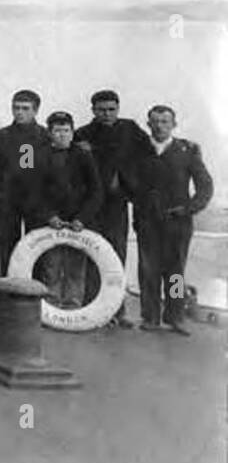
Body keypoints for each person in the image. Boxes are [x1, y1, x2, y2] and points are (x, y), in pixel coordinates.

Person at [124, 106, 214, 335]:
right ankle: (150, 317)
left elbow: (205, 186)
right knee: (148, 270)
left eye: (165, 121)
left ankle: (175, 317)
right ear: (148, 124)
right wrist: (140, 201)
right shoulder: (138, 152)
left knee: (175, 272)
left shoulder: (187, 151)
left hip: (178, 224)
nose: (160, 126)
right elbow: (127, 181)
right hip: (147, 222)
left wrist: (188, 209)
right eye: (155, 122)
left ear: (174, 124)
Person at [74, 89, 145, 328]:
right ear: (93, 110)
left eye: (111, 109)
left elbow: (148, 156)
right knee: (93, 254)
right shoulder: (82, 134)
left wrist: (128, 182)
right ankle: (92, 308)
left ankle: (117, 309)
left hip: (117, 205)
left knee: (117, 255)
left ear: (118, 108)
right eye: (101, 110)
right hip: (91, 206)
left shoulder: (130, 129)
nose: (107, 114)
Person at [22, 111, 103, 310]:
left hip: (79, 223)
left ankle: (73, 305)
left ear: (73, 132)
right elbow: (33, 191)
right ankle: (52, 305)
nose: (62, 135)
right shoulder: (37, 155)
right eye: (57, 131)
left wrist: (82, 219)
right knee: (52, 266)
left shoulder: (84, 155)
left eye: (66, 131)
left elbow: (96, 191)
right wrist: (49, 216)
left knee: (76, 267)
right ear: (49, 133)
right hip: (51, 223)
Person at [0, 90, 51, 275]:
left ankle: (35, 293)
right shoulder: (0, 136)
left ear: (36, 110)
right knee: (6, 247)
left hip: (37, 201)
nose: (19, 112)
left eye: (25, 109)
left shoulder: (45, 136)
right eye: (16, 108)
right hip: (8, 200)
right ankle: (8, 292)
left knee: (36, 247)